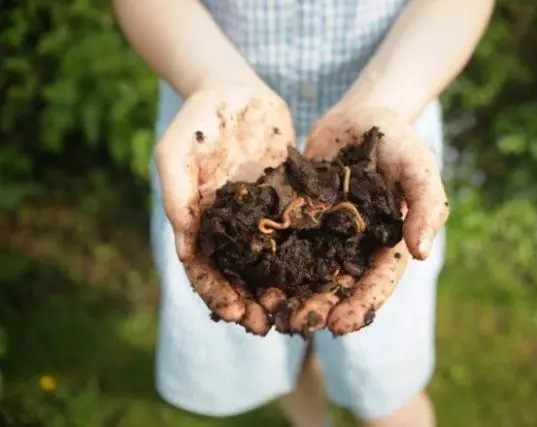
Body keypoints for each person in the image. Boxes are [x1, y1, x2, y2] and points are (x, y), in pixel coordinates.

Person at [113, 1, 494, 426]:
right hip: (221, 134)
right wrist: (211, 79)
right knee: (278, 348)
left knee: (385, 389)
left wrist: (388, 101)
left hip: (395, 113)